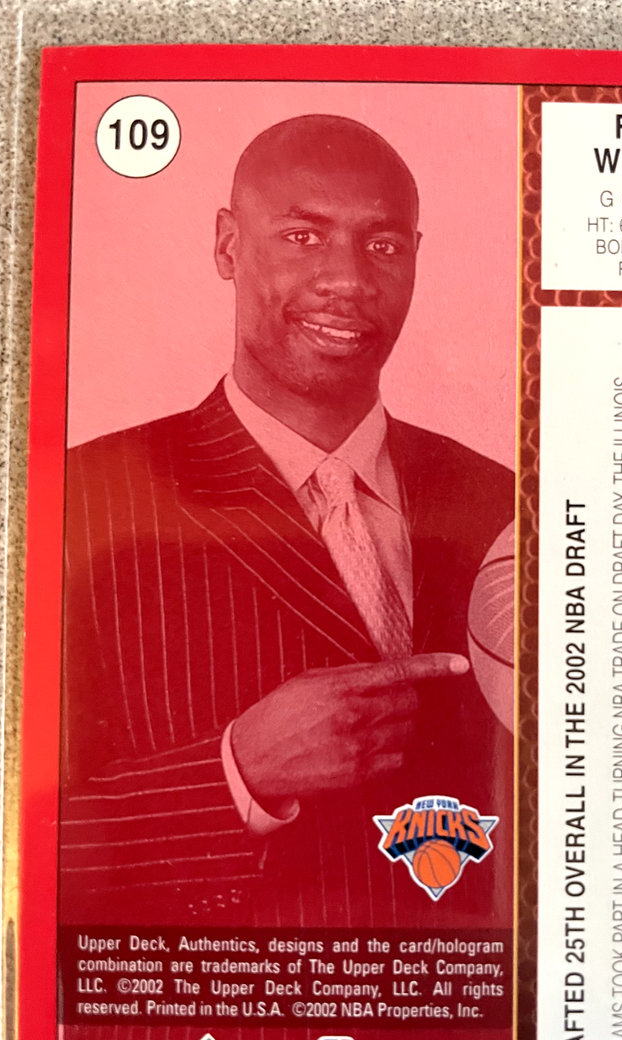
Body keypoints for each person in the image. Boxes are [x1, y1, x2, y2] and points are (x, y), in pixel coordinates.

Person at [59, 114, 514, 929]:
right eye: (303, 236)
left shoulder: (505, 503)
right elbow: (11, 847)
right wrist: (235, 773)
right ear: (228, 245)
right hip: (225, 1003)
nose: (348, 279)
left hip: (459, 999)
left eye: (383, 245)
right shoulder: (84, 500)